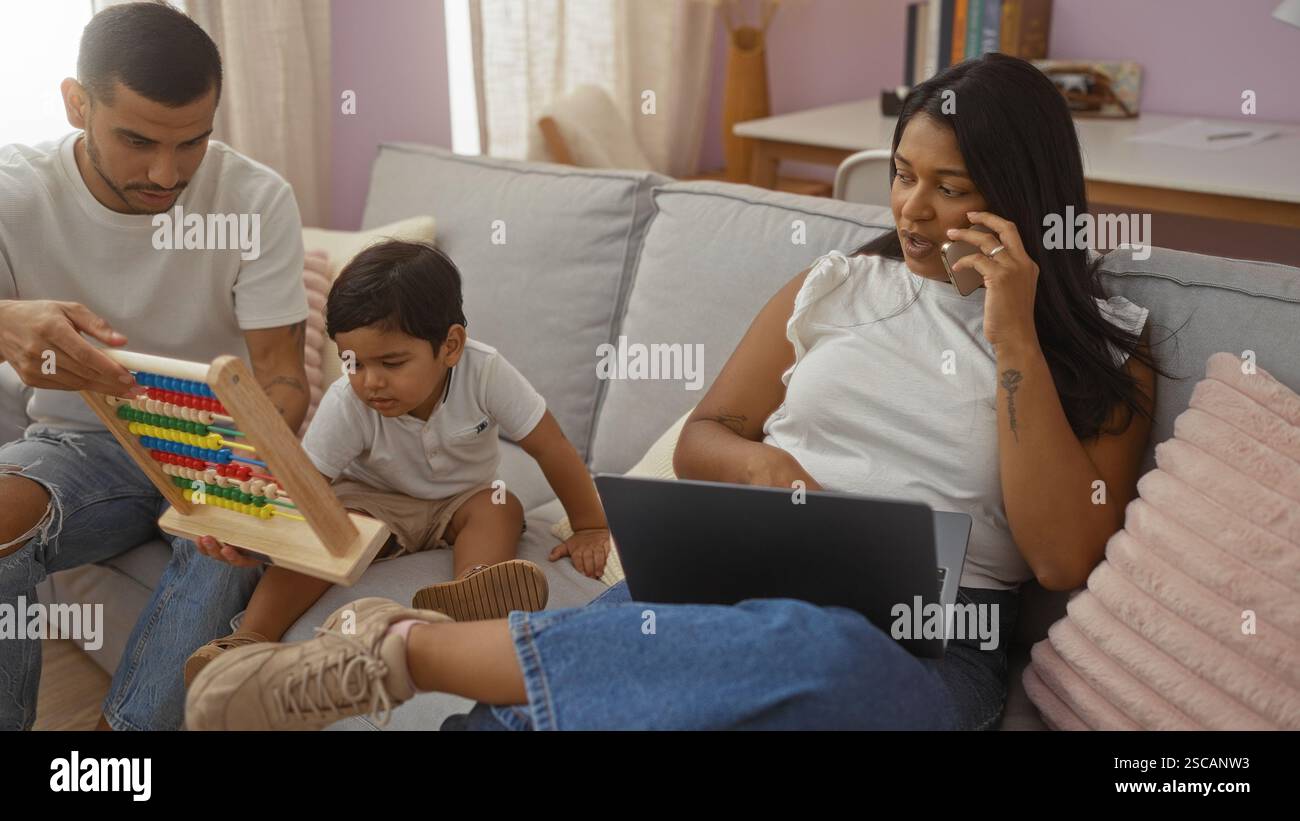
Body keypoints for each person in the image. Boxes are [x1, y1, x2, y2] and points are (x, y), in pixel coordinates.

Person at [185, 52, 1166, 731]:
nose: (910, 209)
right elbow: (706, 435)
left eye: (950, 187)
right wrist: (768, 466)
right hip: (747, 585)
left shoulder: (1104, 355)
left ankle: (402, 652)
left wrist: (1011, 340)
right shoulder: (834, 286)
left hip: (927, 650)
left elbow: (1060, 551)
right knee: (692, 643)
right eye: (903, 175)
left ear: (1022, 196)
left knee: (823, 655)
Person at [0, 2, 310, 731]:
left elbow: (284, 379)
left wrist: (254, 460)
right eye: (137, 140)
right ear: (78, 104)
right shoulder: (15, 191)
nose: (166, 173)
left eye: (193, 142)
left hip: (218, 448)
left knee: (233, 550)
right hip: (79, 446)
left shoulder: (258, 200)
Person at [183, 241, 612, 684]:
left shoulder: (485, 372)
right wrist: (253, 540)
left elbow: (551, 445)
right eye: (353, 363)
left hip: (460, 501)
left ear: (450, 346)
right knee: (328, 532)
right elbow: (304, 491)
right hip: (374, 503)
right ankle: (248, 642)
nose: (370, 382)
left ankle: (476, 589)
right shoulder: (347, 402)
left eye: (391, 362)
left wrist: (589, 526)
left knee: (502, 507)